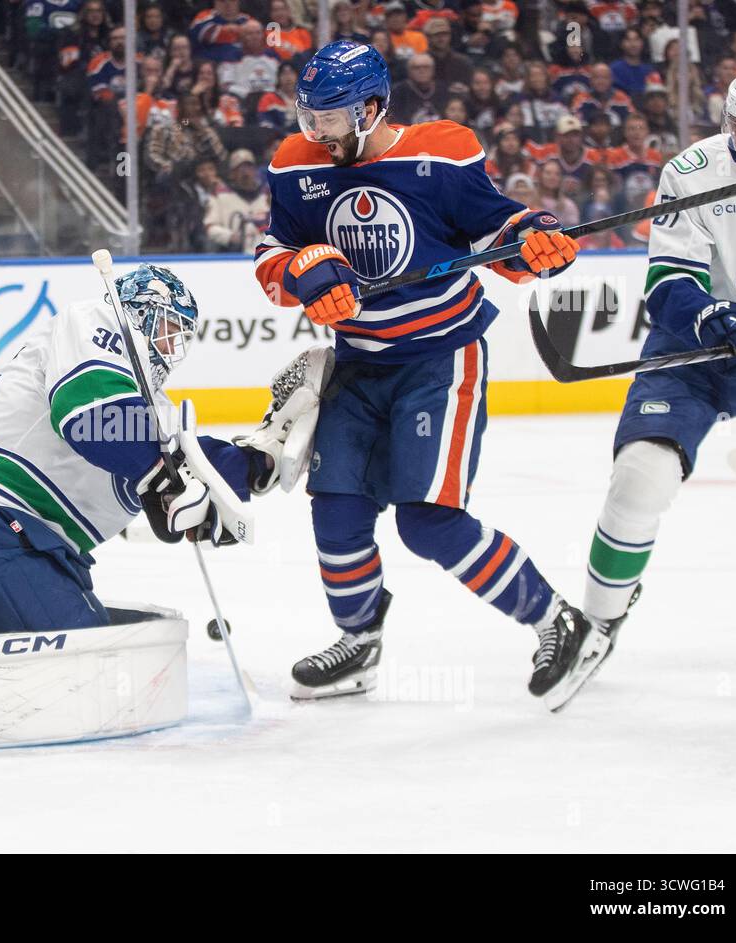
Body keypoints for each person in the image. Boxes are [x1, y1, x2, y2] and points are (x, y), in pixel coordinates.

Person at [252, 41, 598, 709]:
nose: (313, 133)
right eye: (308, 117)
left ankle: (559, 620)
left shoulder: (439, 152)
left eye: (328, 119)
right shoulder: (297, 166)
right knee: (338, 508)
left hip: (439, 359)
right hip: (357, 364)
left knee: (428, 520)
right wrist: (301, 271)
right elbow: (276, 252)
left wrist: (537, 239)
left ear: (372, 107)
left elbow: (499, 232)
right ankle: (358, 641)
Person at [0, 265, 269, 758]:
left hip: (8, 535)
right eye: (166, 329)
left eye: (180, 339)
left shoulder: (149, 409)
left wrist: (256, 463)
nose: (170, 348)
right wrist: (164, 477)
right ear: (138, 312)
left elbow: (176, 469)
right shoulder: (96, 322)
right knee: (87, 674)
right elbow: (89, 416)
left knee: (99, 659)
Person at [581, 57, 736, 673]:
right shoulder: (694, 172)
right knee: (640, 478)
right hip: (699, 351)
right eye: (735, 124)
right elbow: (668, 280)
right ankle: (596, 620)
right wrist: (711, 316)